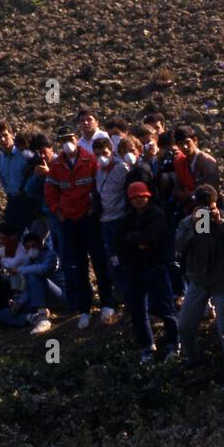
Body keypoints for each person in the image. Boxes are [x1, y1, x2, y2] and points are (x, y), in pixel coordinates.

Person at [175, 184, 224, 389]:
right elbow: (179, 248)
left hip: (223, 282)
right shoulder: (189, 222)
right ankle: (193, 361)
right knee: (185, 326)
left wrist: (219, 222)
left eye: (210, 206)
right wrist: (194, 228)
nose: (206, 210)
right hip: (198, 280)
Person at [45, 128, 110, 328]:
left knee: (100, 261)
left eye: (70, 139)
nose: (67, 143)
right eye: (62, 140)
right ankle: (84, 309)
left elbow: (98, 186)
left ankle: (108, 303)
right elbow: (50, 191)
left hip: (88, 218)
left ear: (77, 139)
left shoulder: (90, 160)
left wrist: (93, 208)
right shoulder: (56, 165)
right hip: (69, 222)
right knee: (77, 265)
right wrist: (58, 211)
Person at [116, 181, 178, 363]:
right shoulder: (126, 218)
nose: (138, 201)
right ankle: (146, 347)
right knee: (137, 311)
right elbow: (119, 242)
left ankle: (174, 344)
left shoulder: (157, 214)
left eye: (141, 197)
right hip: (134, 268)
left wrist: (133, 239)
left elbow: (151, 236)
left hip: (156, 266)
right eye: (134, 198)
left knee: (165, 308)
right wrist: (138, 242)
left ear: (147, 196)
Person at [93, 135, 130, 322]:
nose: (102, 157)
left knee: (124, 261)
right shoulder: (98, 171)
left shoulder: (121, 169)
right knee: (112, 261)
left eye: (105, 153)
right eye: (98, 154)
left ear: (112, 152)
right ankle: (122, 298)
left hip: (120, 219)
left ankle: (132, 302)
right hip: (105, 221)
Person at [0, 120, 33, 237]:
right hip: (13, 202)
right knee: (14, 238)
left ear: (12, 134)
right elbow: (4, 183)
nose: (3, 140)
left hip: (29, 200)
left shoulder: (24, 154)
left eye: (5, 135)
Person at [173, 126, 220, 212]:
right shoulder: (180, 161)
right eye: (180, 144)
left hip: (207, 208)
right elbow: (176, 191)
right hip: (188, 208)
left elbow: (209, 193)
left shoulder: (207, 162)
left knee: (202, 224)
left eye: (187, 142)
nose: (185, 147)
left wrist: (189, 194)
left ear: (195, 140)